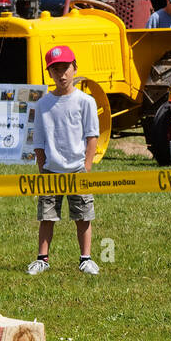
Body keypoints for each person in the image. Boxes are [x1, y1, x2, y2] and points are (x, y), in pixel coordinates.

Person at [28, 45, 101, 276]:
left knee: (83, 215)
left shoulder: (85, 101)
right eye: (55, 69)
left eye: (66, 68)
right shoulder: (42, 105)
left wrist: (86, 167)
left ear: (75, 68)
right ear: (49, 73)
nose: (62, 74)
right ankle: (42, 258)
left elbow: (92, 137)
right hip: (50, 170)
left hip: (78, 169)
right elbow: (38, 141)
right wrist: (43, 169)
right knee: (46, 215)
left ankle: (86, 258)